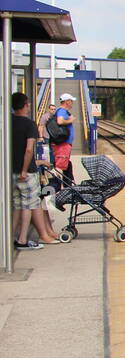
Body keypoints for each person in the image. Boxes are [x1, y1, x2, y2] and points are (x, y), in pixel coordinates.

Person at [10, 92, 53, 250]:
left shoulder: (8, 122)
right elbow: (29, 150)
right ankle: (22, 240)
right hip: (26, 172)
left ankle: (10, 237)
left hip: (11, 172)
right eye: (27, 104)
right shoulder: (29, 125)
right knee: (28, 204)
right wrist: (23, 170)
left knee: (16, 205)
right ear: (25, 105)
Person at [47, 92, 76, 190]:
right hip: (63, 144)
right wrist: (70, 120)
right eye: (71, 101)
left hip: (64, 143)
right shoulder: (62, 111)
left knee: (65, 164)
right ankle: (59, 187)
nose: (72, 103)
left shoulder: (61, 111)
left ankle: (65, 185)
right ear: (67, 102)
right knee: (61, 164)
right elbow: (60, 121)